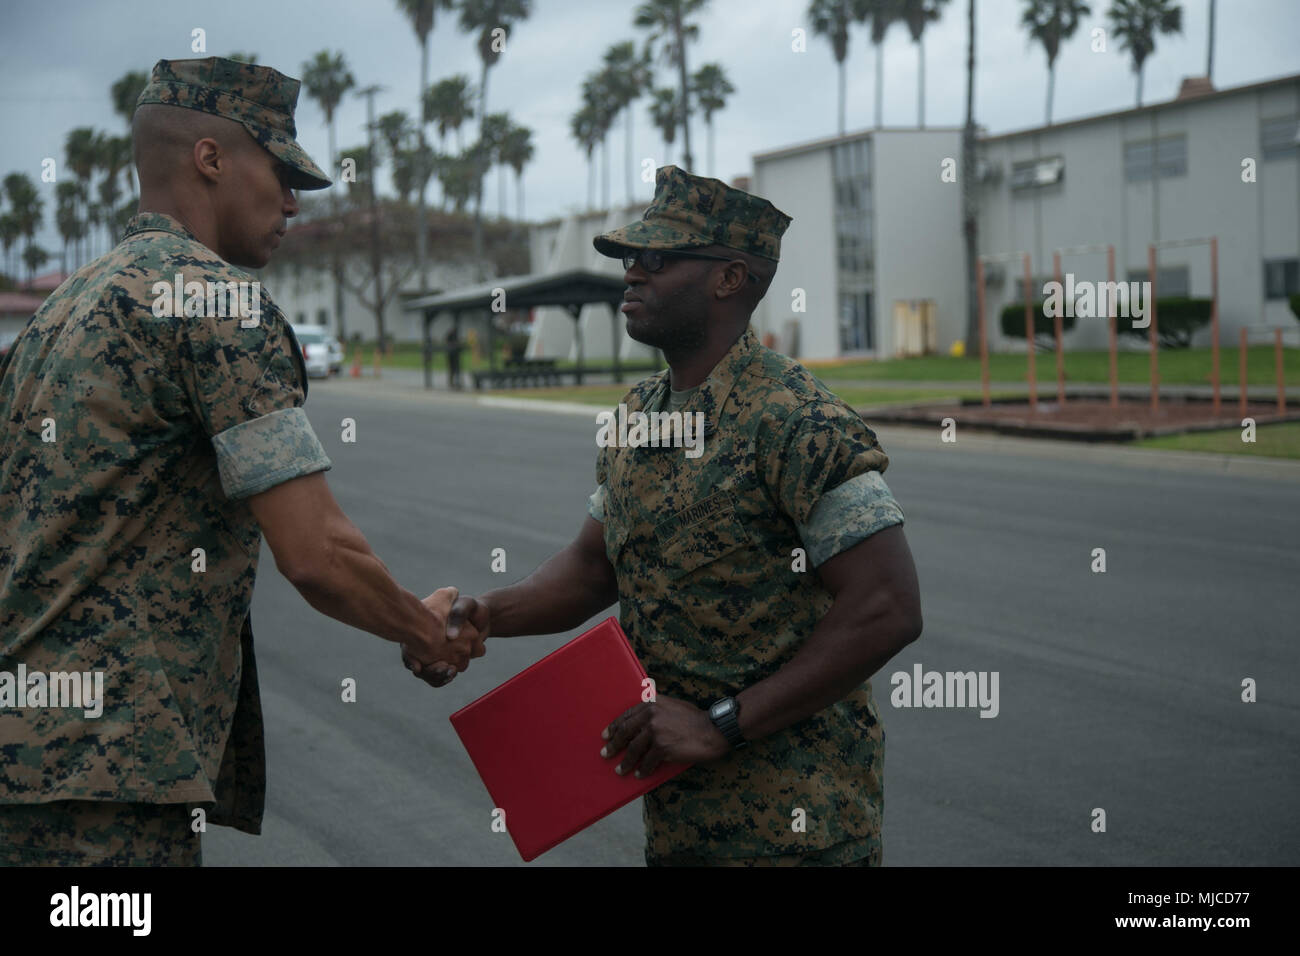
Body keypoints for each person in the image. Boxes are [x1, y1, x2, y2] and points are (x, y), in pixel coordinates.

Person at [0, 56, 480, 867]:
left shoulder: (59, 311)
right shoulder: (215, 302)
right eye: (281, 171)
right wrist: (421, 629)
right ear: (211, 160)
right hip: (112, 775)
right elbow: (316, 553)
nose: (293, 201)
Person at [405, 166, 922, 866]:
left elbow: (887, 604)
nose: (631, 274)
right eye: (628, 259)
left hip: (798, 827)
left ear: (729, 278)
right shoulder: (639, 415)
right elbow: (592, 568)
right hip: (681, 820)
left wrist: (723, 725)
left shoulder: (797, 420)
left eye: (656, 258)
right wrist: (487, 612)